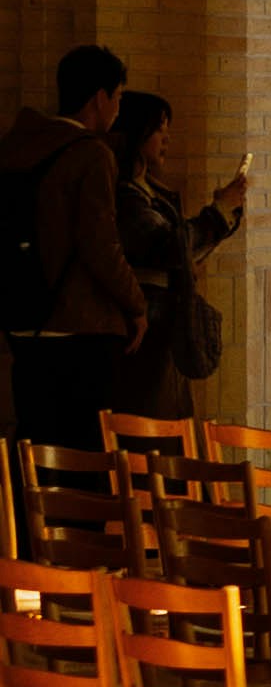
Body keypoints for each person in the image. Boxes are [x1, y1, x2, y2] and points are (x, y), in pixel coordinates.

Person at [0, 41, 145, 448]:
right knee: (85, 450)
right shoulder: (91, 154)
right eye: (117, 97)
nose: (117, 109)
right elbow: (100, 243)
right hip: (79, 324)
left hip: (22, 318)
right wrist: (135, 305)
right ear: (99, 98)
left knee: (34, 444)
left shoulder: (14, 146)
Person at [107, 90, 245, 419]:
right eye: (159, 130)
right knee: (151, 429)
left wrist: (225, 212)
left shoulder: (150, 193)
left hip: (164, 330)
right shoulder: (127, 196)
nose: (166, 139)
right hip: (146, 332)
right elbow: (168, 246)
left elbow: (183, 249)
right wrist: (219, 211)